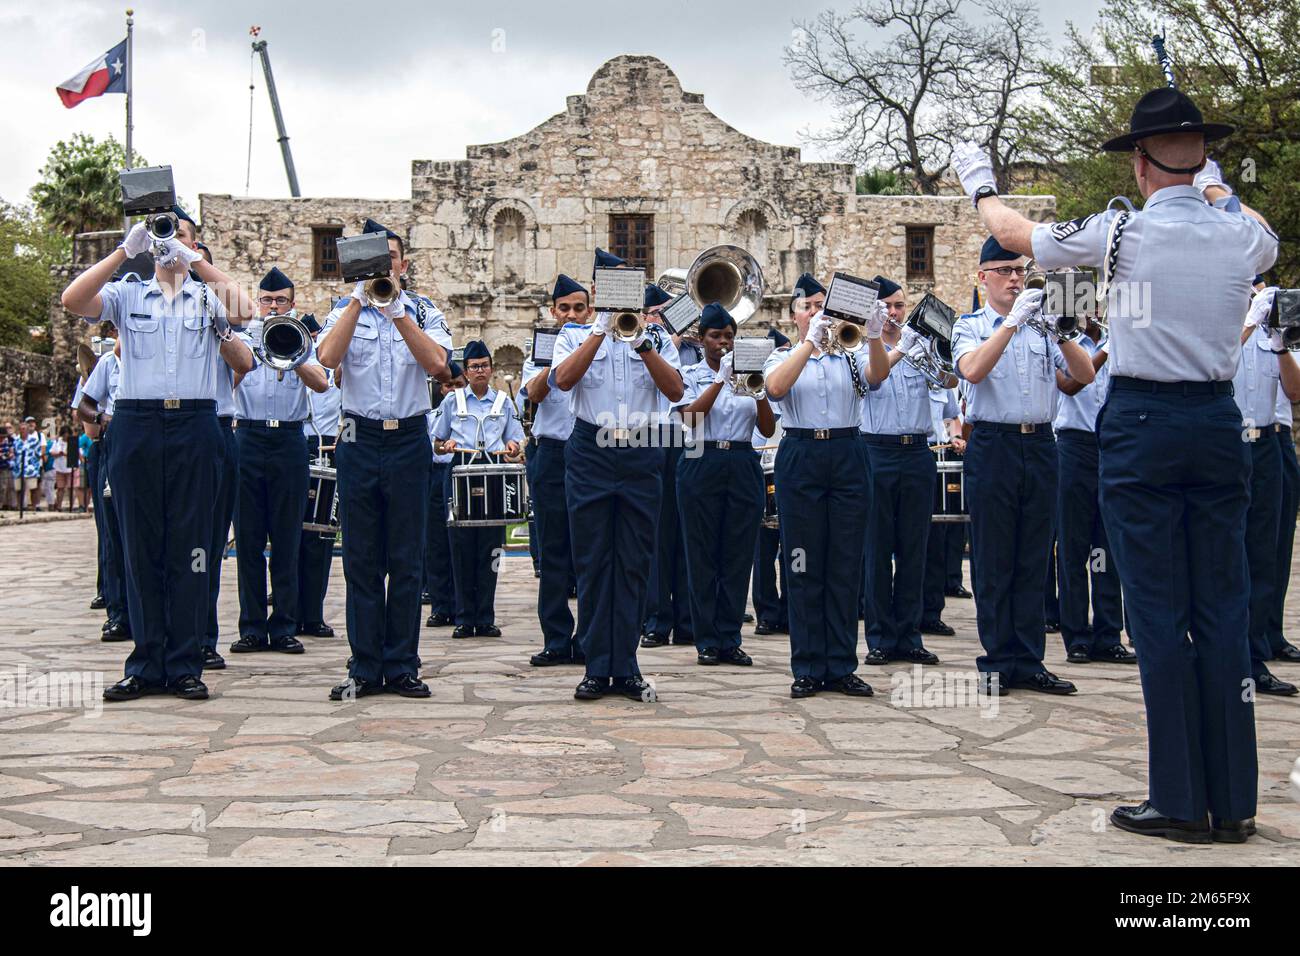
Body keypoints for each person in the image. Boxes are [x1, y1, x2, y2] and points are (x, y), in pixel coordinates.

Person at [954, 85, 1278, 841]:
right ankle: (1232, 800)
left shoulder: (1120, 234)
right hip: (1217, 418)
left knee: (1160, 611)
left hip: (1141, 418)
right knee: (1222, 606)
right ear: (1199, 160)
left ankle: (1176, 796)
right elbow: (1254, 227)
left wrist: (979, 185)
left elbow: (1014, 232)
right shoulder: (1240, 235)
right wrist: (1216, 184)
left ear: (1139, 164)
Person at [60, 204, 256, 701]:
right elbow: (73, 299)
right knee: (139, 543)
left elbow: (245, 310)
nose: (170, 240)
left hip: (195, 422)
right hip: (137, 422)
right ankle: (145, 661)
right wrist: (127, 251)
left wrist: (193, 259)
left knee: (191, 546)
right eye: (164, 233)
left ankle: (186, 662)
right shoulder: (129, 293)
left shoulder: (207, 298)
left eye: (181, 234)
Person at [949, 237, 1096, 697]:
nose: (1016, 278)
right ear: (983, 277)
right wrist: (1010, 324)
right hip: (993, 444)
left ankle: (1029, 659)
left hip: (1041, 444)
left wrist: (1062, 330)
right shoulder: (970, 325)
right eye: (1005, 271)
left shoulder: (1042, 328)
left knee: (1035, 556)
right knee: (994, 558)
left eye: (1020, 271)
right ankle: (996, 660)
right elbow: (971, 371)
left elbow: (1084, 377)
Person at [315, 218, 453, 701]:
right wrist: (359, 299)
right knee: (362, 558)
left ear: (403, 264)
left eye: (389, 259)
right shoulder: (341, 311)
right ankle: (364, 664)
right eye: (374, 262)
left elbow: (437, 365)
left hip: (409, 438)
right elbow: (328, 359)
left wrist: (396, 311)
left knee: (406, 558)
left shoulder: (423, 311)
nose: (383, 268)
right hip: (358, 437)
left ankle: (402, 664)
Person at [550, 250, 684, 702]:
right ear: (596, 289)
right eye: (613, 284)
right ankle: (594, 665)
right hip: (591, 447)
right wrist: (599, 331)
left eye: (629, 283)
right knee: (592, 561)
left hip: (642, 449)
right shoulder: (573, 334)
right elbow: (563, 381)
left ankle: (624, 666)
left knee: (632, 561)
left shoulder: (656, 338)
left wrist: (642, 342)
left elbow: (676, 390)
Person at [762, 273, 890, 699]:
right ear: (794, 314)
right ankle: (807, 665)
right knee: (802, 561)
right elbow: (776, 389)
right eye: (808, 307)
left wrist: (873, 335)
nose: (817, 313)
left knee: (844, 562)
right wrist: (810, 344)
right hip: (801, 454)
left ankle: (840, 665)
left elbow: (878, 377)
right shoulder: (781, 356)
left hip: (848, 451)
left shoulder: (850, 356)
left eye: (822, 306)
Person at [229, 268, 329, 656]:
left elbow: (321, 382)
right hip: (249, 436)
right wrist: (251, 355)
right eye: (268, 301)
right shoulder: (243, 338)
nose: (273, 307)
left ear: (292, 304)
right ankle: (252, 626)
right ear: (258, 302)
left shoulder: (303, 340)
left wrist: (292, 352)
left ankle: (285, 625)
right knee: (249, 539)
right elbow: (225, 385)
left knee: (287, 538)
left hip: (289, 439)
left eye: (281, 301)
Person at [860, 275, 954, 667]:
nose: (895, 313)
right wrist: (901, 349)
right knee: (878, 549)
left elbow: (950, 381)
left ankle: (910, 635)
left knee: (915, 548)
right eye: (887, 308)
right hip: (876, 451)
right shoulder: (860, 346)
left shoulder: (921, 343)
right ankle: (881, 637)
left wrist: (937, 349)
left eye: (899, 306)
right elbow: (873, 377)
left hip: (917, 451)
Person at [674, 302, 776, 666]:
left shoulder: (749, 374)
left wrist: (758, 389)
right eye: (716, 336)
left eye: (729, 337)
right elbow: (691, 418)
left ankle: (730, 637)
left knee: (737, 554)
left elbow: (766, 428)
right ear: (701, 340)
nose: (723, 343)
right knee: (702, 554)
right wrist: (720, 379)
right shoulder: (690, 374)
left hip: (742, 458)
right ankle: (706, 639)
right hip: (701, 459)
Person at [1052, 315, 1135, 665]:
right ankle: (1076, 634)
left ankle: (1108, 633)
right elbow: (1071, 384)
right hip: (1074, 446)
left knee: (1108, 546)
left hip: (1112, 446)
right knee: (1074, 546)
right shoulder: (1064, 344)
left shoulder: (1119, 344)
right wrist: (1105, 347)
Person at [1232, 289, 1300, 696]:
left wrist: (1279, 345)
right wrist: (1249, 324)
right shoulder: (1223, 328)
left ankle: (1256, 656)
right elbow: (1214, 366)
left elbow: (1294, 393)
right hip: (1228, 444)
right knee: (1226, 555)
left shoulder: (1272, 333)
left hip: (1267, 447)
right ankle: (1225, 654)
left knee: (1263, 553)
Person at [431, 341, 523, 637]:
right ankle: (464, 616)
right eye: (474, 367)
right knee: (459, 546)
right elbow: (436, 439)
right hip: (460, 469)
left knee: (491, 547)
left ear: (491, 368)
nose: (480, 371)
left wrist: (512, 446)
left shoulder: (502, 402)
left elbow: (516, 440)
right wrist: (445, 446)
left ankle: (485, 616)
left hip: (492, 470)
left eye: (484, 365)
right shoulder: (452, 401)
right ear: (467, 371)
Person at [523, 275, 585, 666]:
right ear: (553, 312)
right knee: (553, 548)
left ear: (590, 310)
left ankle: (589, 637)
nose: (571, 315)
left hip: (587, 453)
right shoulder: (540, 352)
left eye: (579, 308)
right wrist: (555, 364)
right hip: (550, 453)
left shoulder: (597, 343)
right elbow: (534, 393)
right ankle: (556, 637)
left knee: (590, 549)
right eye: (564, 308)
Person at [641, 282, 694, 649]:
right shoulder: (649, 341)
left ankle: (689, 619)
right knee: (658, 532)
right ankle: (658, 618)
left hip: (690, 443)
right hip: (656, 436)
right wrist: (671, 341)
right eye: (661, 312)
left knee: (687, 531)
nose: (668, 318)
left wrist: (703, 341)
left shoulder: (698, 345)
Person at [77, 340, 130, 643]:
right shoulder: (108, 363)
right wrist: (100, 417)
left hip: (151, 445)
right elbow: (87, 413)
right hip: (113, 446)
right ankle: (118, 613)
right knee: (112, 535)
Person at [298, 312, 344, 639]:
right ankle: (288, 610)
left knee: (321, 534)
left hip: (329, 446)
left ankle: (312, 612)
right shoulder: (288, 362)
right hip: (296, 444)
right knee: (290, 535)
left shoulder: (335, 369)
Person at [751, 327, 791, 637]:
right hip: (760, 466)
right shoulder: (752, 385)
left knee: (793, 547)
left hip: (787, 467)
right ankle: (766, 611)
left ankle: (790, 608)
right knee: (763, 548)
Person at [920, 386, 965, 635]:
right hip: (899, 446)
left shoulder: (938, 374)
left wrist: (955, 437)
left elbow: (952, 416)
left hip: (935, 454)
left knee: (935, 541)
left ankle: (931, 612)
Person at [423, 361, 464, 630]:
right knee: (434, 541)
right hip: (432, 474)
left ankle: (462, 605)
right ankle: (440, 605)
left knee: (459, 543)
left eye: (457, 386)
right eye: (447, 385)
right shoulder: (429, 413)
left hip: (459, 471)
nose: (451, 391)